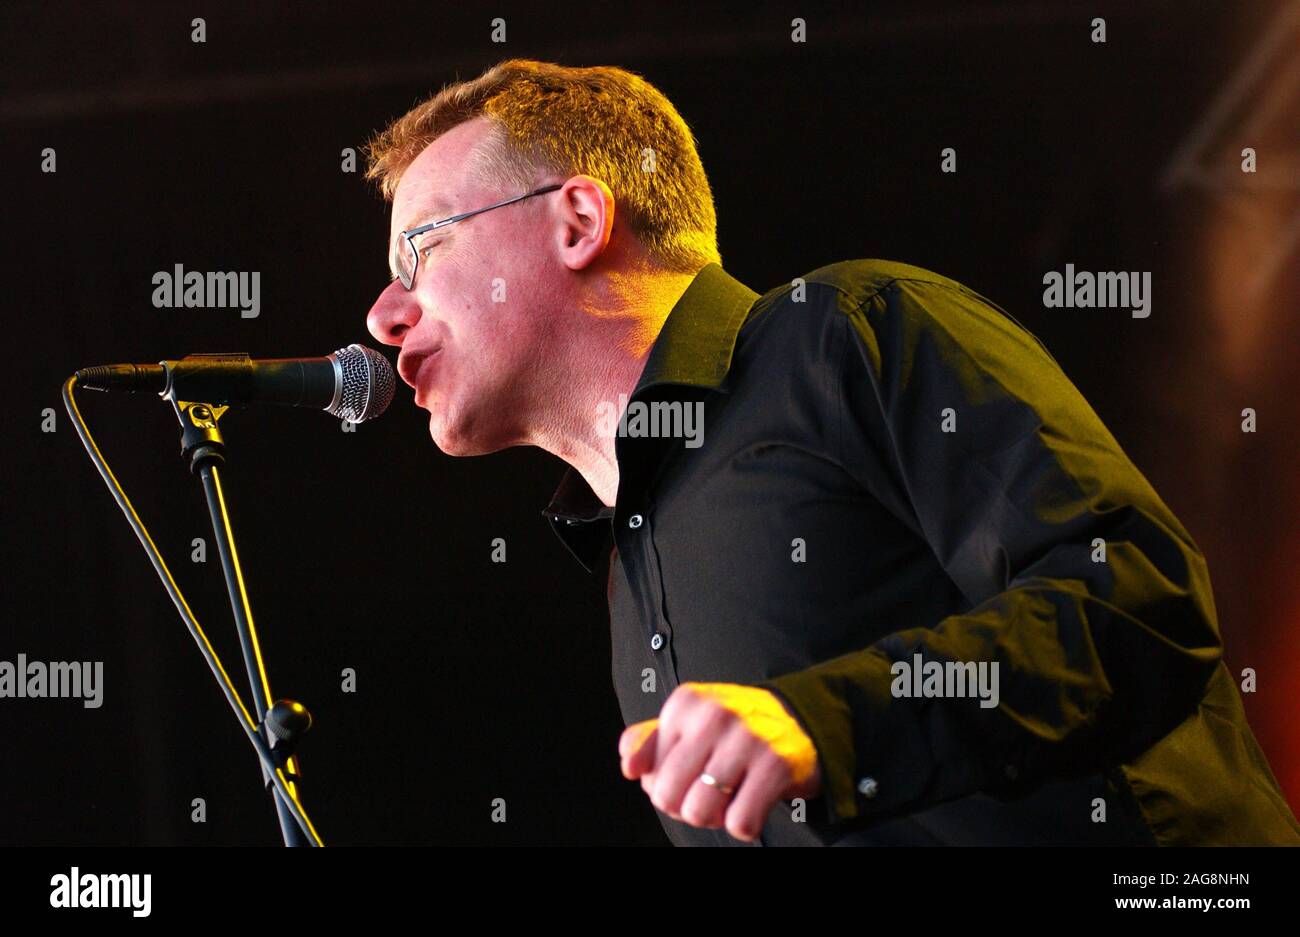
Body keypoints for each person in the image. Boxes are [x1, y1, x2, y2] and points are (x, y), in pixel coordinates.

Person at [362, 58, 1300, 846]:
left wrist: (829, 721)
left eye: (420, 253)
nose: (383, 313)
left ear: (578, 222)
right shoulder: (627, 580)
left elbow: (1140, 597)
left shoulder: (850, 333)